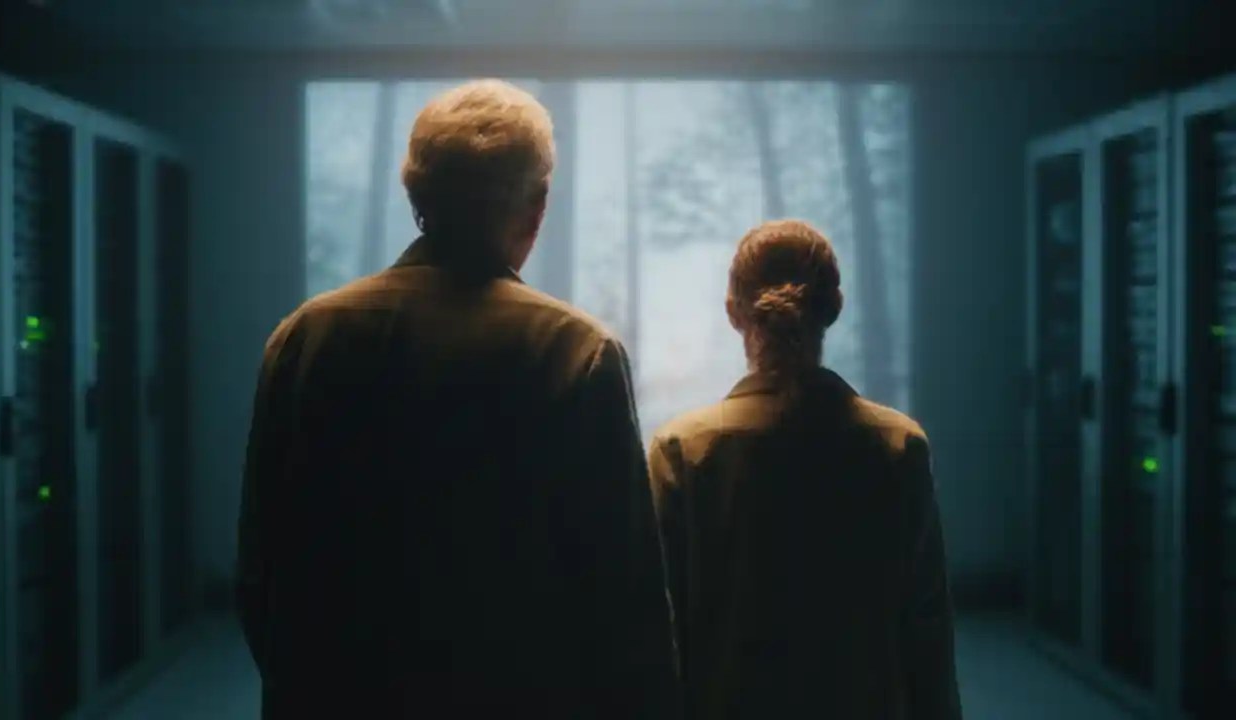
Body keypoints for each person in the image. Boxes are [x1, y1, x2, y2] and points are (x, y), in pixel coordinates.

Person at [236, 79, 678, 719]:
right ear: (538, 206)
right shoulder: (574, 352)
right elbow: (625, 599)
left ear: (416, 193)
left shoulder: (304, 339)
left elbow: (260, 572)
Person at [646, 219, 962, 719]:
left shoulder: (683, 451)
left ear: (733, 312)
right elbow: (925, 633)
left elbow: (659, 636)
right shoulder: (898, 446)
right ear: (834, 308)